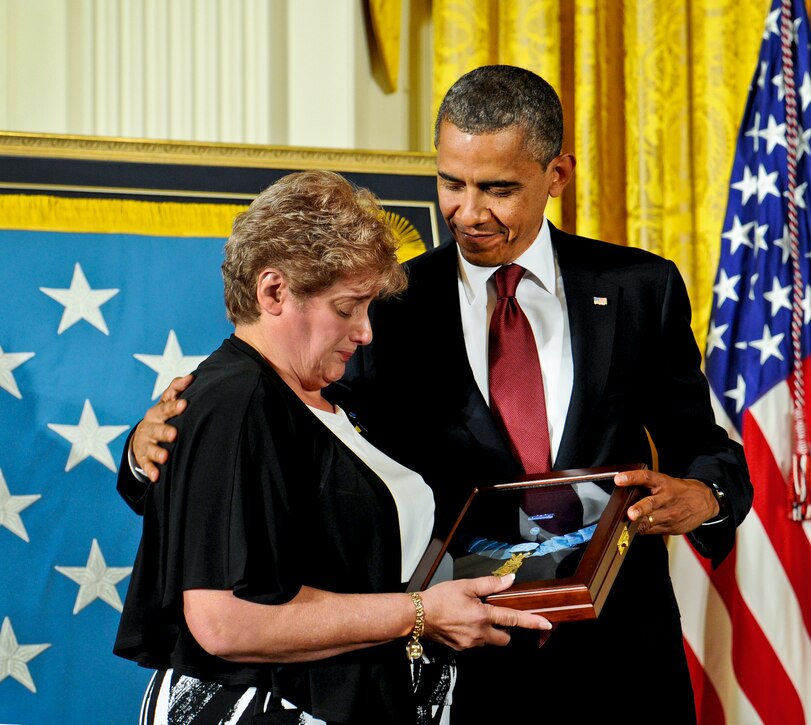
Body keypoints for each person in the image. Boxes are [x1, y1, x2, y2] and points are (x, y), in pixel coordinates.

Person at [121, 66, 753, 724]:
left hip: (620, 659)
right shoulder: (385, 303)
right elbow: (269, 444)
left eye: (498, 188)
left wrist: (703, 496)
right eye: (452, 183)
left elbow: (707, 449)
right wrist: (146, 452)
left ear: (556, 174)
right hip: (458, 671)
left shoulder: (638, 289)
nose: (468, 211)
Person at [113, 169, 551, 725]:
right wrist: (419, 614)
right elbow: (226, 621)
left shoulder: (322, 397)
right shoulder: (238, 402)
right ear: (273, 291)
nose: (366, 331)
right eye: (347, 308)